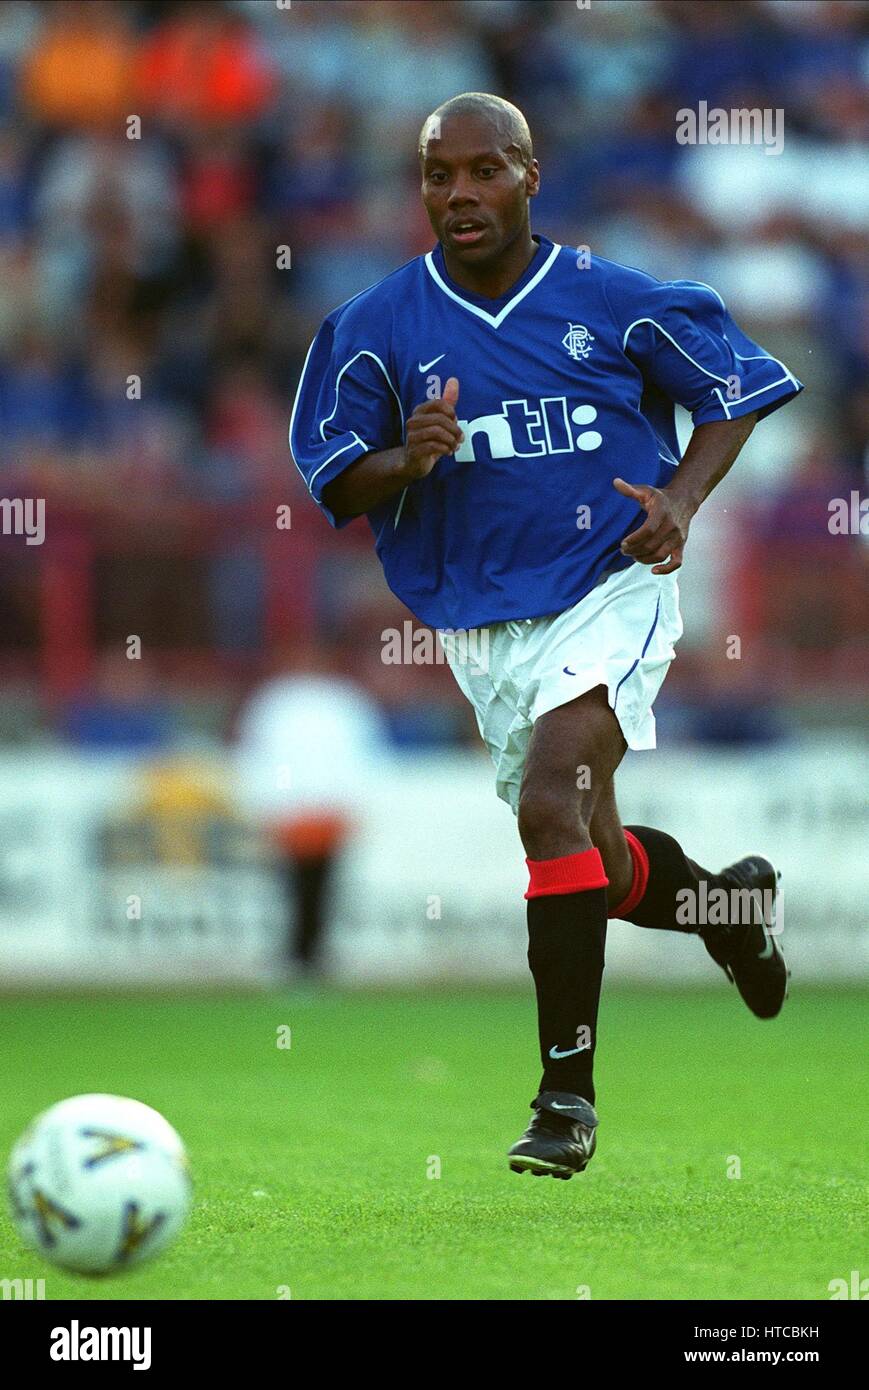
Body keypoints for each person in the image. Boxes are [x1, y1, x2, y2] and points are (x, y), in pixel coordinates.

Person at [289, 93, 802, 1178]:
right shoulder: (377, 326)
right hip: (481, 621)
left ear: (530, 173)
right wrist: (407, 462)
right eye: (439, 176)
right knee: (594, 857)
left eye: (483, 171)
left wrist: (682, 499)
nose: (460, 194)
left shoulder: (608, 298)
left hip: (611, 582)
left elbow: (736, 386)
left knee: (548, 797)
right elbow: (335, 476)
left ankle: (563, 1097)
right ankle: (724, 906)